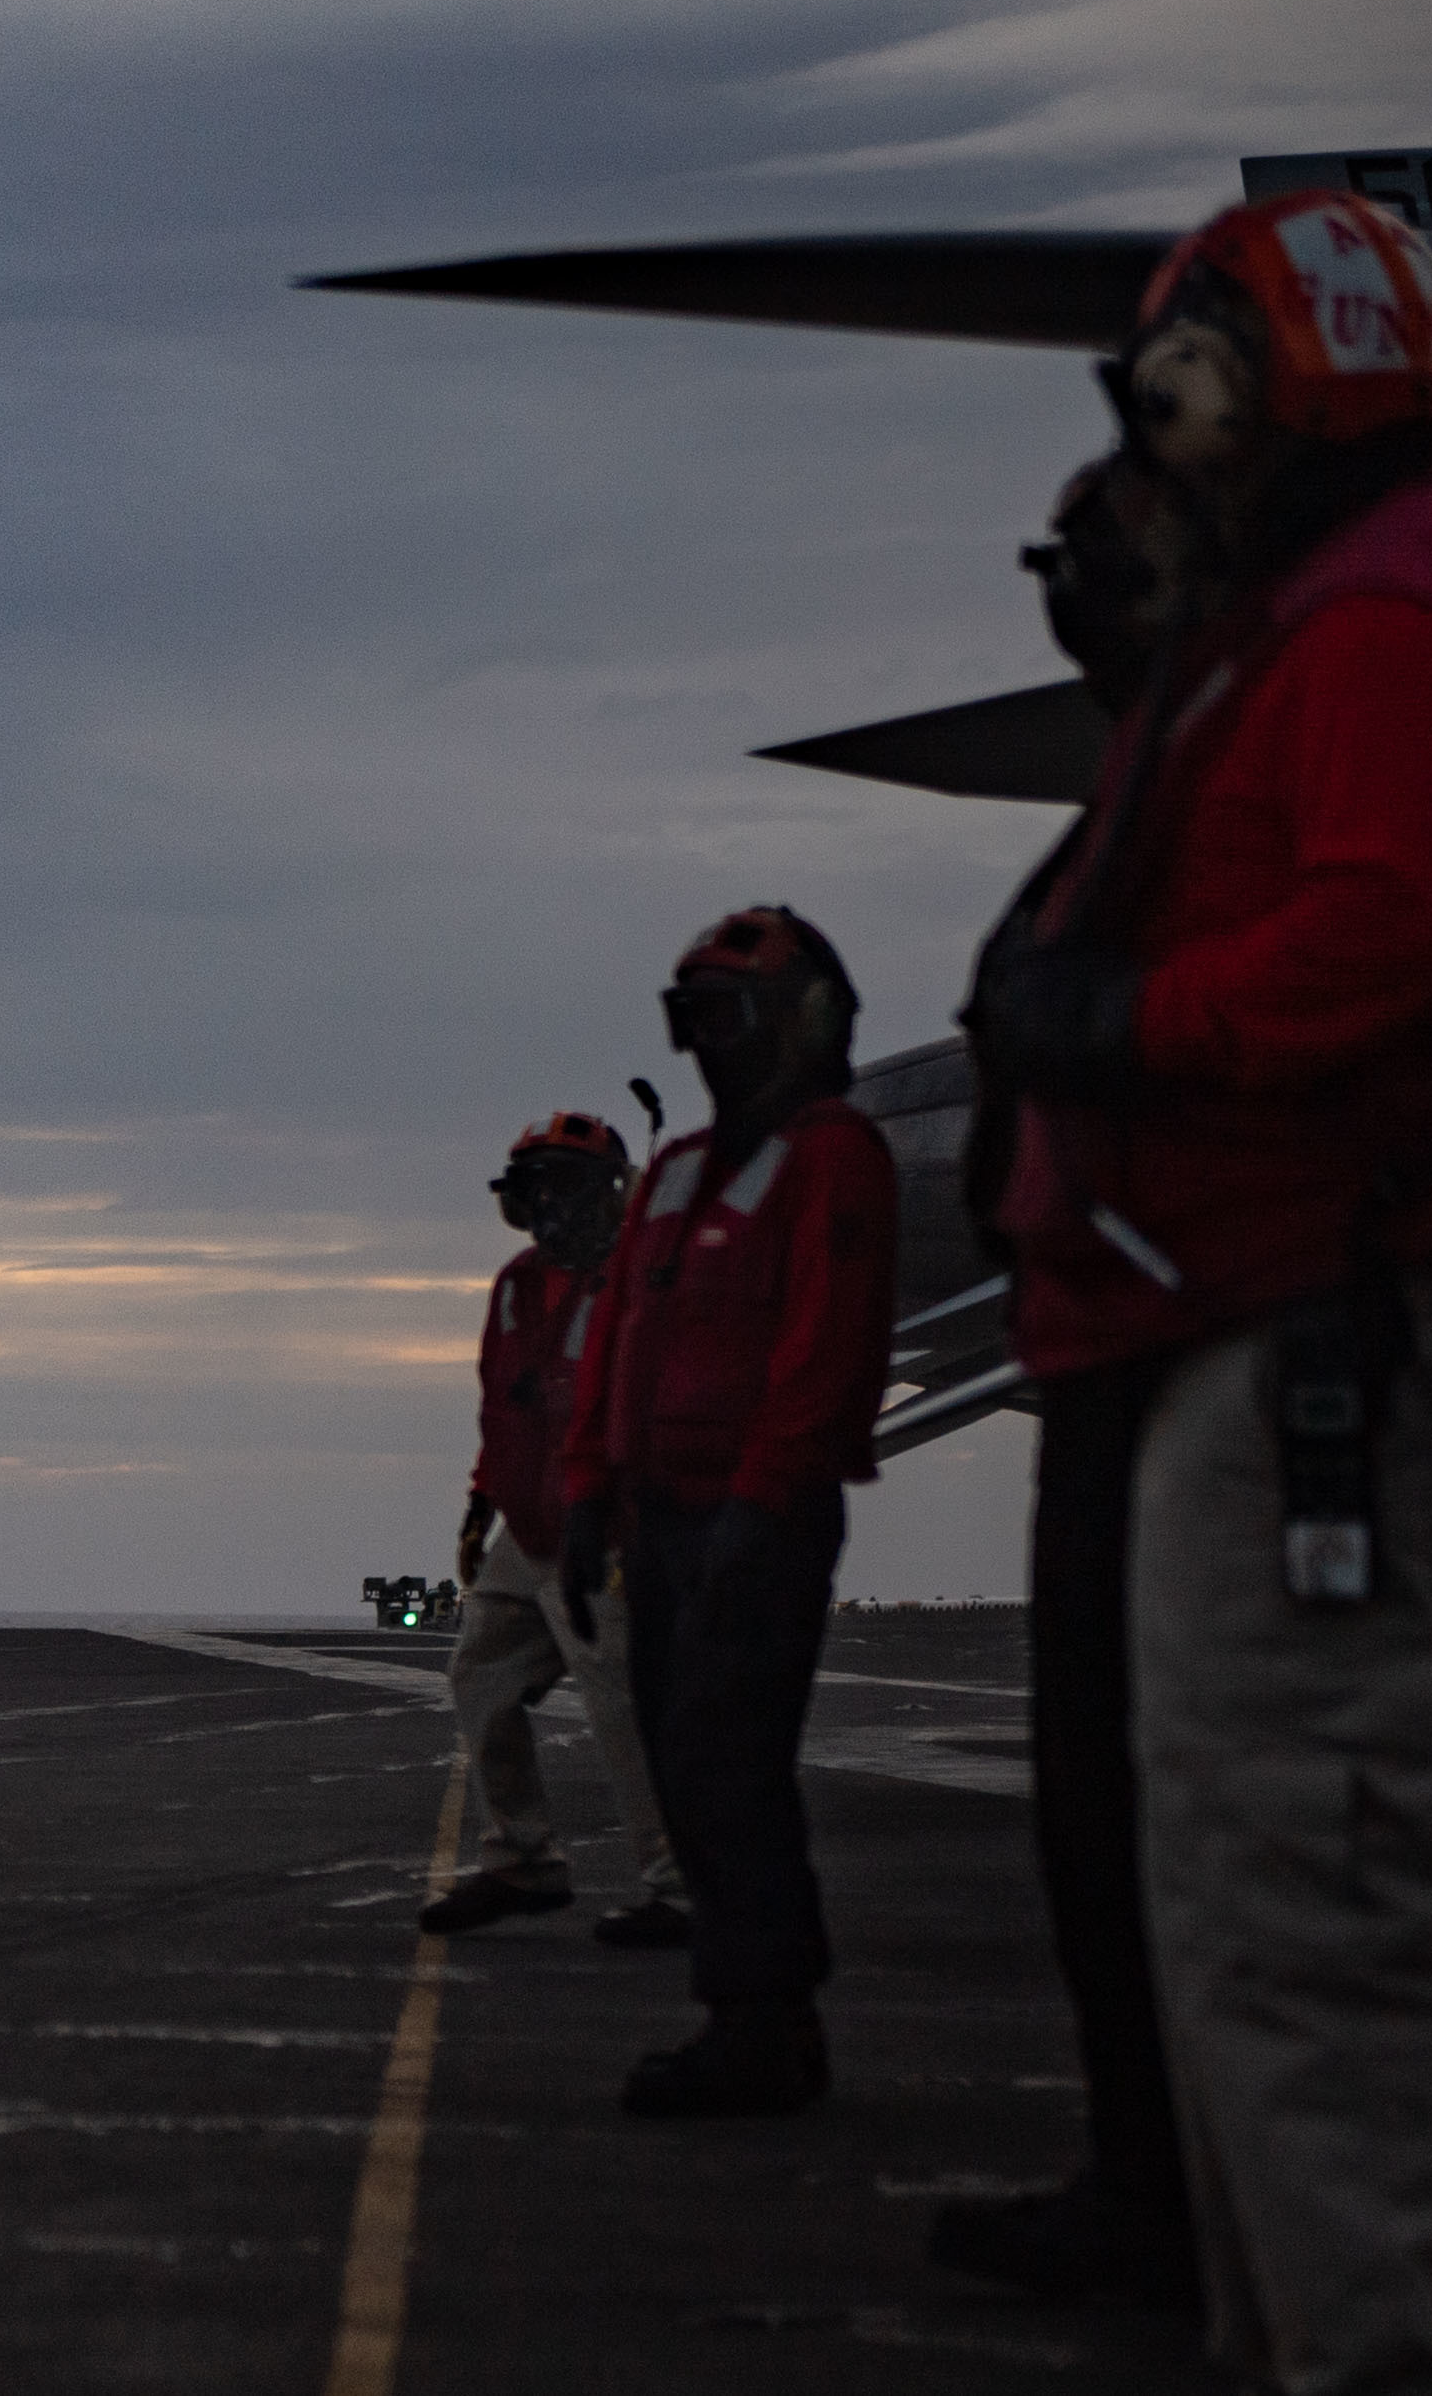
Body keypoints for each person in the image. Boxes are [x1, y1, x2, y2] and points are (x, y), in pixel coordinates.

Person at [955, 191, 1432, 2390]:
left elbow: (1383, 926)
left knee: (1323, 1948)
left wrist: (1134, 1024)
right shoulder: (1386, 599)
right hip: (1292, 1333)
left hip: (1336, 1346)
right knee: (1258, 1933)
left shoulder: (1390, 612)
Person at [552, 906, 898, 2117]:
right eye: (688, 1019)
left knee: (728, 1767)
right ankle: (747, 2010)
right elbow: (619, 1347)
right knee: (685, 1762)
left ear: (800, 1022)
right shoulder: (678, 1172)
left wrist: (763, 1498)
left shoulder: (831, 1159)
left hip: (758, 1521)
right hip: (661, 1523)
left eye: (725, 1016)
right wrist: (587, 1488)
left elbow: (825, 1340)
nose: (705, 1042)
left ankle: (762, 2018)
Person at [417, 1112, 693, 1948]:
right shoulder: (514, 1287)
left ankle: (682, 1890)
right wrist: (480, 1502)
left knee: (625, 1712)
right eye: (535, 1191)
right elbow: (504, 1408)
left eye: (563, 1190)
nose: (548, 1208)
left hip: (607, 1527)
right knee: (479, 1675)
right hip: (528, 1525)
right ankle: (522, 1861)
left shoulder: (639, 1285)